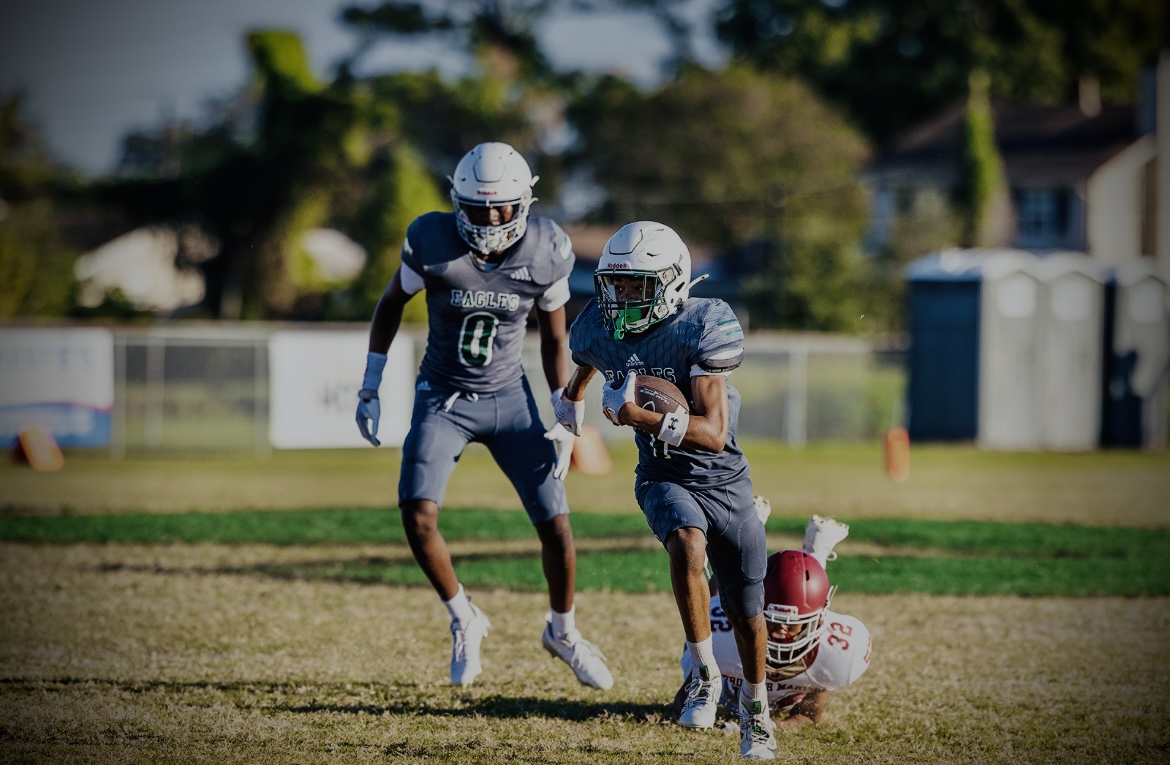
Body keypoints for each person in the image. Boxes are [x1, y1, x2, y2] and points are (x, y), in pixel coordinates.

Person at [355, 141, 612, 691]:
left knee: (557, 524)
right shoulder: (432, 242)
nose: (491, 220)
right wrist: (371, 381)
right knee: (417, 514)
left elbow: (555, 337)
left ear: (524, 204)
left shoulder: (545, 248)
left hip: (508, 399)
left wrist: (565, 407)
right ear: (457, 202)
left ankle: (563, 632)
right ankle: (464, 616)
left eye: (501, 209)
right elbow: (391, 303)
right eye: (478, 208)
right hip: (443, 396)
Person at [556, 220, 776, 760]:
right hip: (662, 475)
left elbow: (714, 434)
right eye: (616, 285)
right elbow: (588, 358)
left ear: (672, 282)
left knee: (748, 614)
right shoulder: (599, 326)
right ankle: (703, 675)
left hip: (724, 481)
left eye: (636, 286)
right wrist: (571, 399)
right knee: (685, 542)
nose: (623, 298)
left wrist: (638, 417)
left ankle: (756, 709)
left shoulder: (702, 324)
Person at [675, 515, 871, 729]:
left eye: (793, 623)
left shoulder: (835, 652)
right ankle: (740, 540)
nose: (781, 630)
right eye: (772, 620)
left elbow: (808, 716)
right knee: (711, 606)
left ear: (819, 619)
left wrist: (769, 725)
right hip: (734, 645)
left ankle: (816, 553)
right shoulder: (722, 636)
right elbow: (683, 702)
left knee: (807, 593)